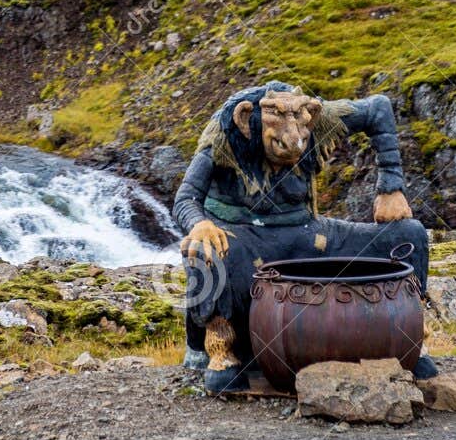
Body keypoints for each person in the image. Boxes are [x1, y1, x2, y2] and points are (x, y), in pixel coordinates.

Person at [172, 80, 437, 395]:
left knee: (408, 235)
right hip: (244, 238)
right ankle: (221, 351)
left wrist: (391, 186)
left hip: (309, 235)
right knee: (208, 247)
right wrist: (199, 223)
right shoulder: (226, 133)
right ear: (247, 119)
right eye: (277, 119)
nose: (294, 135)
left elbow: (378, 109)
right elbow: (185, 198)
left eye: (299, 120)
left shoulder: (318, 117)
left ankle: (410, 342)